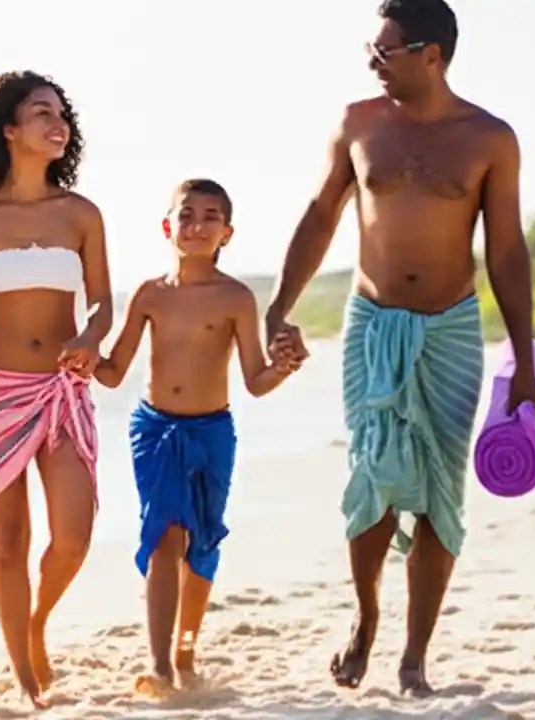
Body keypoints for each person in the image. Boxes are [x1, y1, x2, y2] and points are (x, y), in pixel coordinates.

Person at [264, 0, 535, 697]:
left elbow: (506, 251)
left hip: (451, 328)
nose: (373, 62)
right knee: (373, 478)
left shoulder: (489, 138)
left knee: (441, 491)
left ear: (431, 54)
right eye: (370, 49)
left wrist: (526, 360)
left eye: (385, 51)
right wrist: (277, 307)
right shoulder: (359, 123)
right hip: (371, 324)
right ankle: (365, 619)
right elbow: (321, 215)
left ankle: (416, 656)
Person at [0, 70, 113, 708]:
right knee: (9, 540)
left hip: (62, 388)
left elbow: (102, 304)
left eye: (61, 111)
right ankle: (23, 669)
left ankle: (37, 622)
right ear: (8, 130)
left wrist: (93, 338)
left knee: (73, 534)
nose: (56, 121)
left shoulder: (80, 214)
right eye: (41, 112)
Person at [93, 179, 302, 698]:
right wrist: (80, 358)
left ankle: (187, 647)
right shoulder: (148, 294)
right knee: (165, 533)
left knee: (201, 542)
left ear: (226, 233)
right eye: (186, 215)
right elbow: (114, 371)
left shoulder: (235, 297)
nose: (197, 225)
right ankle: (161, 663)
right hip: (155, 427)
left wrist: (285, 369)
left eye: (211, 217)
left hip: (211, 430)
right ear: (168, 226)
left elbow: (255, 379)